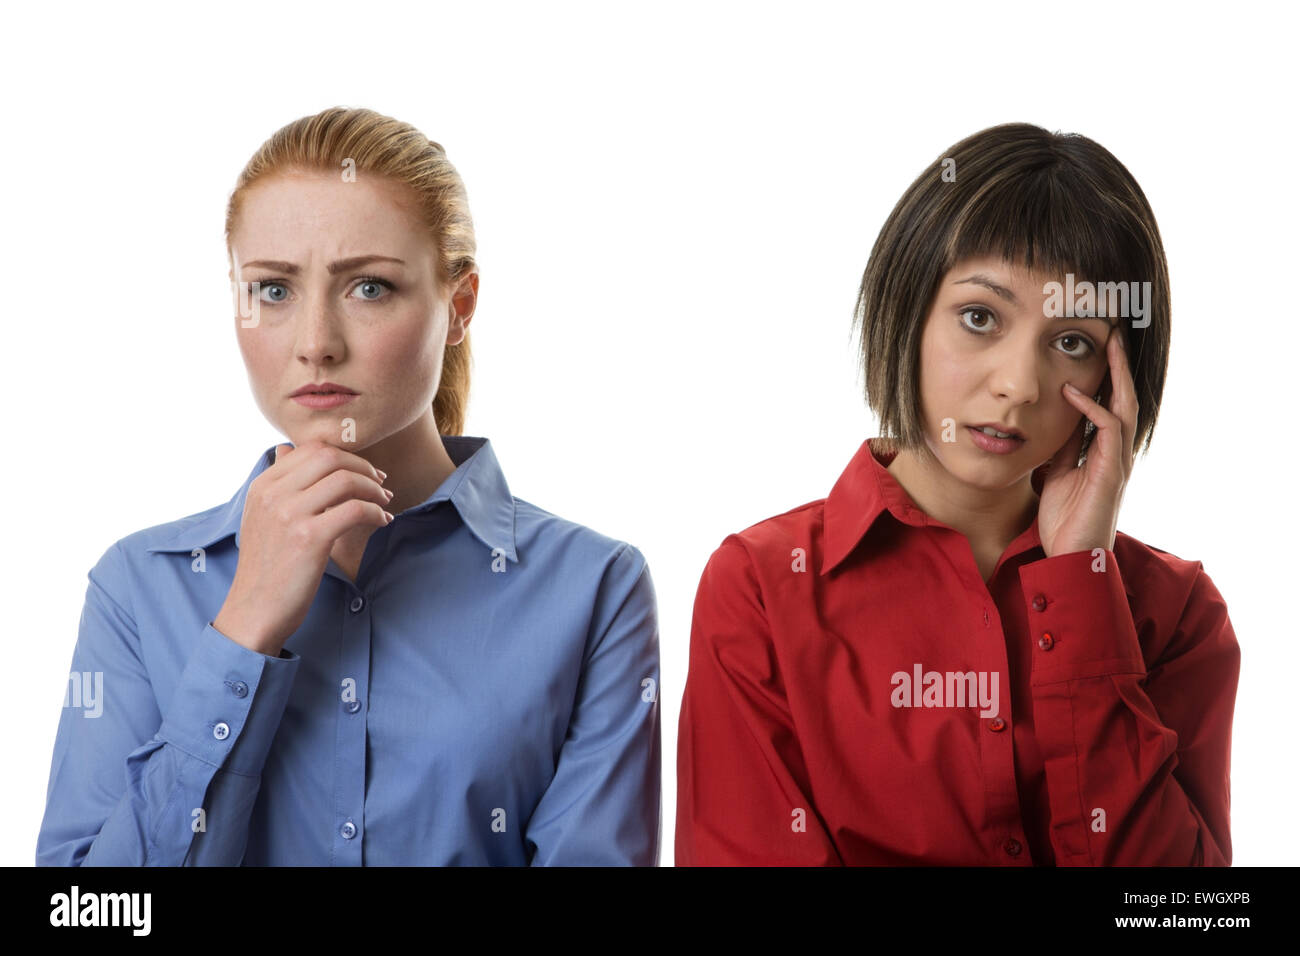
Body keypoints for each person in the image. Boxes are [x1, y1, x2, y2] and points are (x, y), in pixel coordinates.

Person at [37, 107, 661, 866]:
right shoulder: (136, 588)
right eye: (272, 290)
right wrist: (242, 633)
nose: (315, 344)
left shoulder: (592, 588)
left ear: (458, 306)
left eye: (368, 287)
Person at [676, 122, 1239, 866]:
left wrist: (1082, 590)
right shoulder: (762, 588)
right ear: (907, 311)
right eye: (980, 318)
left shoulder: (1176, 615)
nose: (1020, 384)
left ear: (1116, 378)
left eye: (1070, 341)